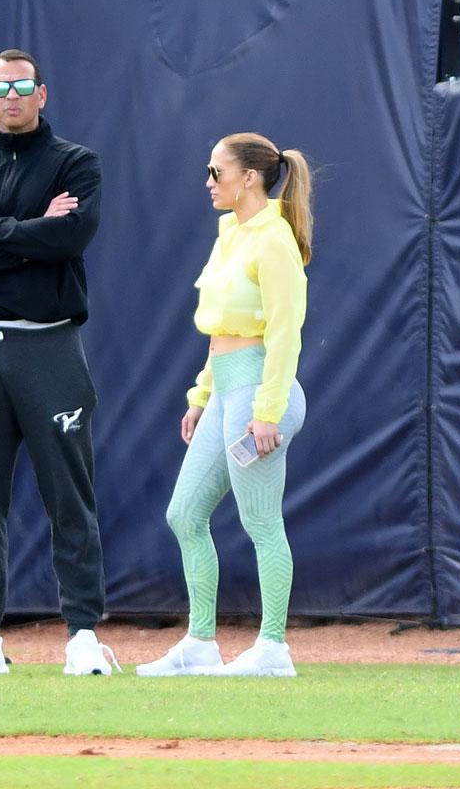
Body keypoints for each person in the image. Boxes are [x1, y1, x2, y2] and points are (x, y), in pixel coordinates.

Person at [0, 49, 118, 676]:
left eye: (24, 86)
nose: (12, 96)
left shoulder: (75, 163)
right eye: (1, 87)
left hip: (49, 343)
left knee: (70, 493)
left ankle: (83, 634)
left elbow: (69, 238)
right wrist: (28, 231)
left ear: (42, 94)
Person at [137, 132, 312, 678]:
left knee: (261, 520)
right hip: (226, 392)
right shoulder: (230, 233)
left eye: (217, 172)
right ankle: (200, 643)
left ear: (249, 178)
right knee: (184, 514)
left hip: (262, 393)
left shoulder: (274, 239)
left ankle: (273, 648)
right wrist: (201, 395)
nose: (208, 182)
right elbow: (219, 330)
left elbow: (285, 335)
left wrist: (267, 410)